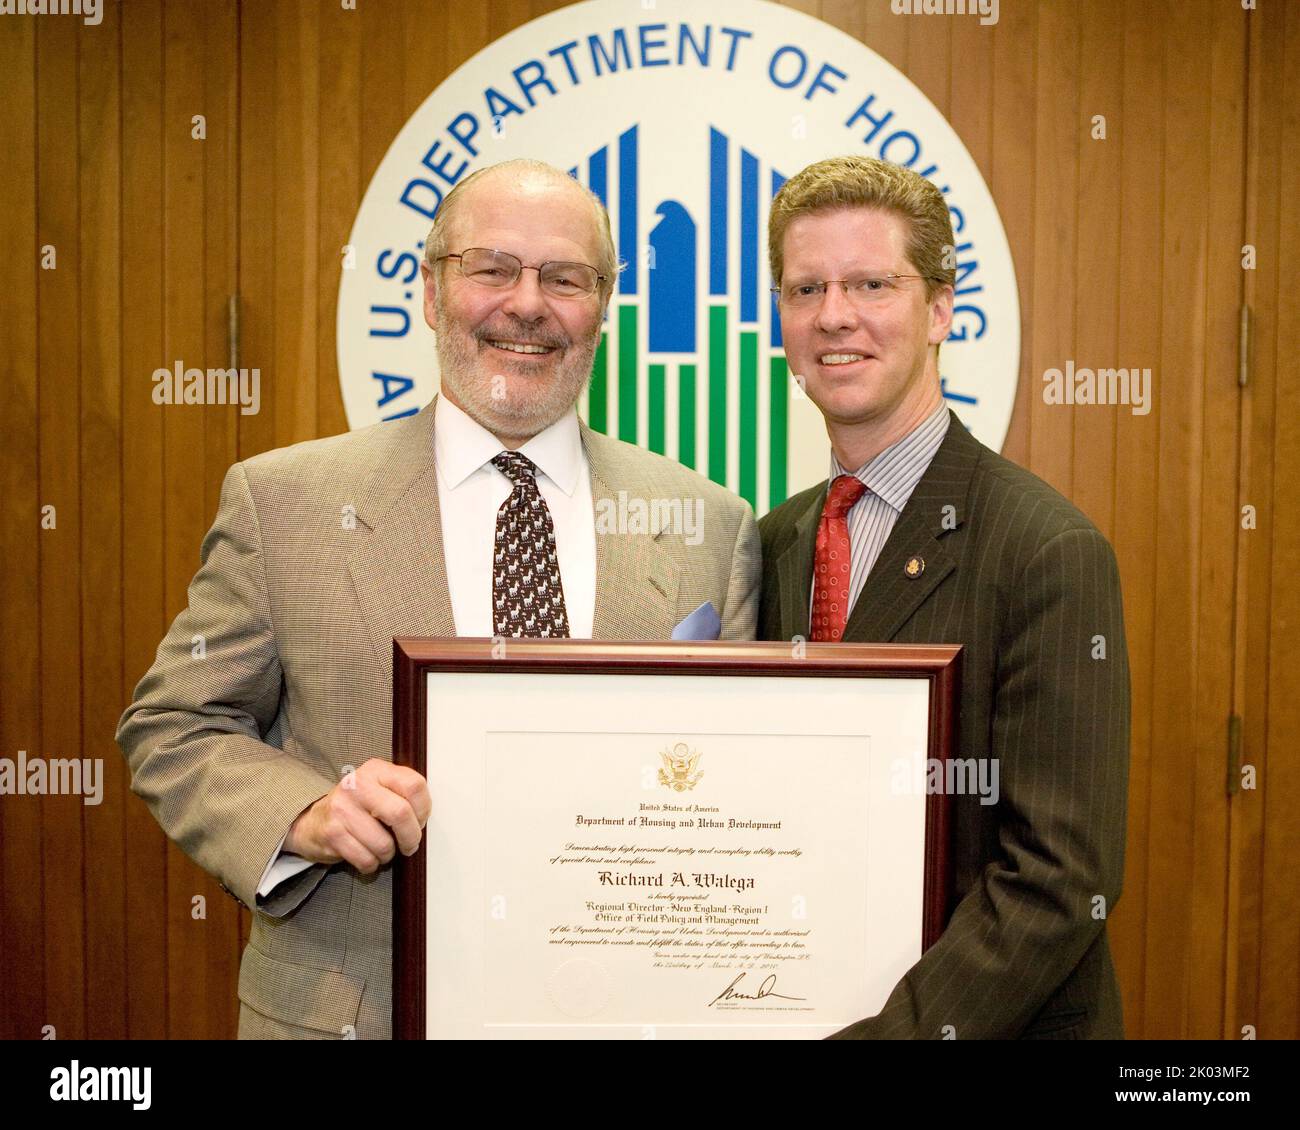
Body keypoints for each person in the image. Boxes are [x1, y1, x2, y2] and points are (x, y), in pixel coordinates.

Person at [116, 158, 759, 1040]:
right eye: (491, 268)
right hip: (354, 1013)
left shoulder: (707, 527)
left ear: (603, 308)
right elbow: (172, 727)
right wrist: (300, 813)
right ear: (429, 289)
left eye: (565, 278)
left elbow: (733, 786)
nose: (527, 304)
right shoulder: (285, 501)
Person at [758, 155, 1130, 1039]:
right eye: (806, 288)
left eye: (871, 284)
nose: (834, 315)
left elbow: (1058, 879)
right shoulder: (777, 541)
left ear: (940, 310)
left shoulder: (1049, 549)